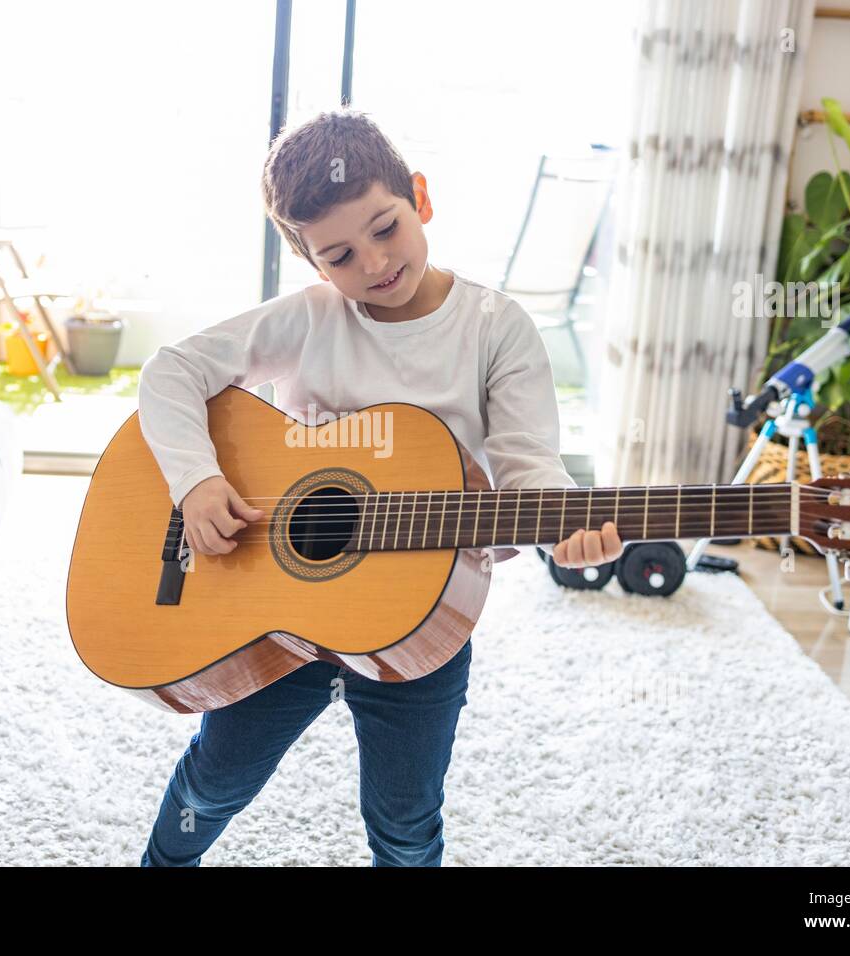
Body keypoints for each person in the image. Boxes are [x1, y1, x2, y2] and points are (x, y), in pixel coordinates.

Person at [136, 108, 621, 866]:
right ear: (313, 264)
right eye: (340, 255)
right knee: (215, 780)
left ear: (420, 197)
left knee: (403, 818)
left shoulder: (496, 327)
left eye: (386, 228)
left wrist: (565, 524)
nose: (373, 263)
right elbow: (171, 370)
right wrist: (197, 482)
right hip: (275, 612)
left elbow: (530, 468)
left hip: (421, 622)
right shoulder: (309, 319)